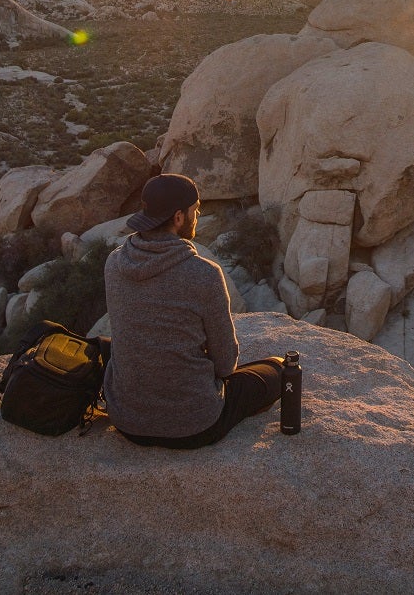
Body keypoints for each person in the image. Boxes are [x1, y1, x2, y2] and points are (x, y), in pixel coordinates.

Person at [102, 172, 284, 448]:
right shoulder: (203, 273)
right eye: (195, 211)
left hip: (127, 421)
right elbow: (225, 365)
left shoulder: (114, 263)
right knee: (278, 369)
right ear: (178, 218)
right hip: (194, 425)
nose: (196, 217)